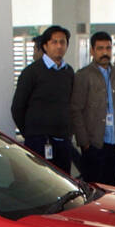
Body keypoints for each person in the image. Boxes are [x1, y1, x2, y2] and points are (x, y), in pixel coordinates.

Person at [11, 25, 74, 173]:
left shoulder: (68, 72)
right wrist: (32, 133)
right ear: (45, 46)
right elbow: (17, 107)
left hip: (63, 140)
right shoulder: (31, 72)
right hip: (38, 142)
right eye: (54, 42)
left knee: (64, 182)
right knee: (40, 181)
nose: (59, 46)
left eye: (62, 42)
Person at [70, 31, 115, 186]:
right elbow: (76, 109)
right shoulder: (83, 75)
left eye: (108, 48)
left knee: (113, 189)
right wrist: (84, 142)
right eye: (100, 48)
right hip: (95, 143)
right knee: (95, 189)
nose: (105, 53)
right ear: (92, 51)